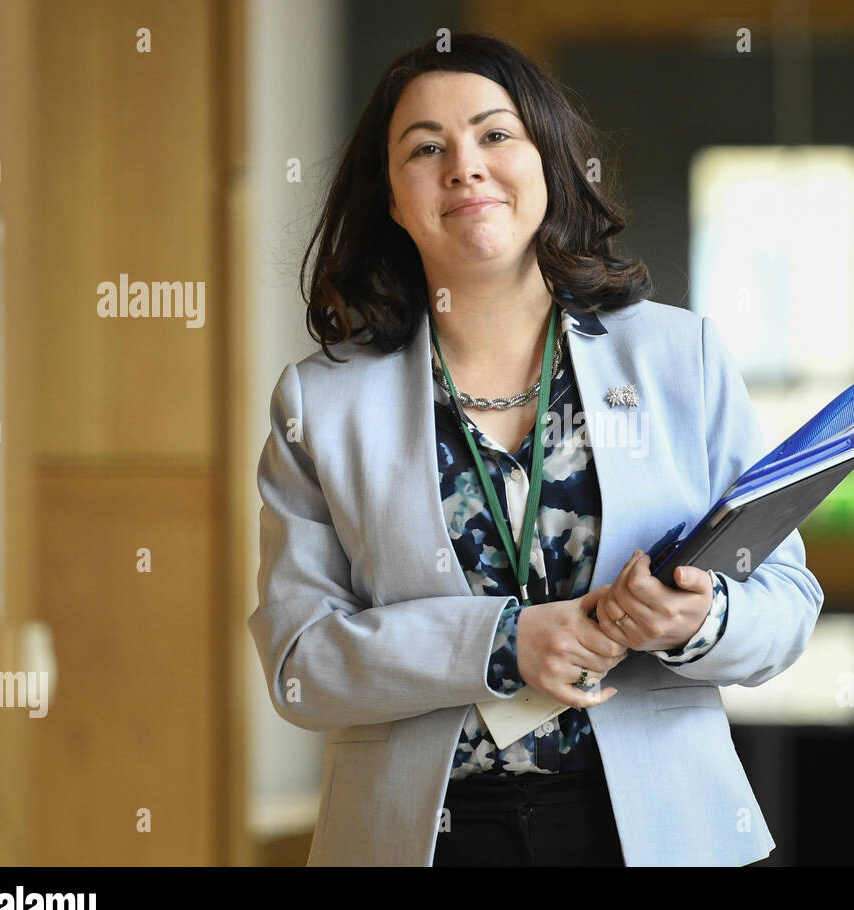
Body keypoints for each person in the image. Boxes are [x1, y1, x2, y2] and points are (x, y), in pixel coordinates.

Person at [247, 31, 823, 867]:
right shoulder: (322, 402)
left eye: (494, 134)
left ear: (548, 161)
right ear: (392, 199)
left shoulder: (677, 357)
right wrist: (502, 642)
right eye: (426, 148)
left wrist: (701, 620)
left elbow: (788, 602)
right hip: (423, 839)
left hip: (656, 832)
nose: (464, 167)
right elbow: (300, 665)